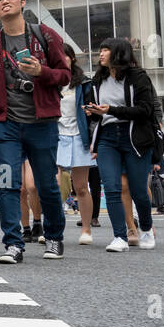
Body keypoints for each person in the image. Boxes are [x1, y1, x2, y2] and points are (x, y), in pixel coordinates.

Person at [0, 0, 71, 264]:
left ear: (23, 2)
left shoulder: (45, 35)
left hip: (42, 124)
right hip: (6, 127)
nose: (5, 2)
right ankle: (13, 244)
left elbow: (66, 75)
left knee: (46, 186)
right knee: (6, 183)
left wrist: (42, 72)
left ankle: (54, 238)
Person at [85, 39, 158, 252]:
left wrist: (111, 110)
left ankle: (146, 228)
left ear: (118, 53)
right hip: (107, 137)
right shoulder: (98, 79)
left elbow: (146, 110)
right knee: (112, 188)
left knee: (138, 191)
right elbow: (100, 113)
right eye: (100, 50)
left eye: (105, 50)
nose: (101, 54)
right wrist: (92, 111)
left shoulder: (138, 77)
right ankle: (120, 236)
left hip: (134, 137)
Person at [56, 44, 96, 245]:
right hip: (56, 137)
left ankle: (87, 229)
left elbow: (93, 114)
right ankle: (53, 230)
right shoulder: (50, 82)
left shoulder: (84, 83)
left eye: (65, 55)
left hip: (79, 137)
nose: (62, 59)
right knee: (54, 186)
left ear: (72, 58)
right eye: (58, 56)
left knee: (80, 187)